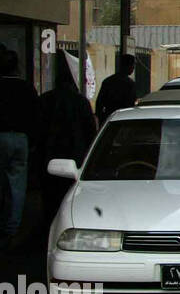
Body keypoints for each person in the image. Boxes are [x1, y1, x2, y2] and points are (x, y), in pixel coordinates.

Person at [36, 54, 96, 231]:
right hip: (75, 157)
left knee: (50, 197)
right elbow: (90, 131)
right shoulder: (81, 102)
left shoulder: (45, 100)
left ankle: (49, 226)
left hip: (48, 156)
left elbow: (37, 128)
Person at [0, 49, 37, 242]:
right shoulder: (26, 88)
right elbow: (35, 116)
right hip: (21, 139)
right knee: (16, 185)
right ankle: (12, 227)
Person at [95, 53, 137, 124]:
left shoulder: (108, 81)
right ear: (127, 66)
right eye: (133, 65)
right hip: (124, 119)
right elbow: (131, 104)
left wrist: (102, 119)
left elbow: (99, 103)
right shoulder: (130, 83)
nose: (133, 68)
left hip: (110, 118)